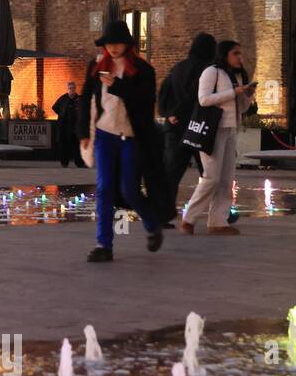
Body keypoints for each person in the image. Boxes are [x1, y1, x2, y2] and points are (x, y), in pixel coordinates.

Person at [76, 19, 170, 262]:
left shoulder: (143, 69)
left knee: (129, 189)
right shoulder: (96, 67)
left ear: (127, 44)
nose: (113, 48)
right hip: (105, 134)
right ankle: (103, 244)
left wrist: (118, 86)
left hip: (131, 137)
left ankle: (151, 225)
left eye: (117, 43)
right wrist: (83, 134)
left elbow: (145, 102)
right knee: (104, 188)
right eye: (109, 44)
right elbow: (86, 100)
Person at [180, 40, 255, 236]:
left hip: (231, 129)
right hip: (212, 130)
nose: (240, 57)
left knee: (226, 178)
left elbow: (243, 108)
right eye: (235, 53)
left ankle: (218, 221)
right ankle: (189, 218)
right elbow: (203, 100)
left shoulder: (237, 75)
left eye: (240, 53)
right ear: (224, 55)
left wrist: (246, 95)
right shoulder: (212, 72)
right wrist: (233, 92)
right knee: (211, 177)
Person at [158, 32, 217, 215]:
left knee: (171, 173)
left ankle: (164, 211)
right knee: (209, 174)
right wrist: (177, 112)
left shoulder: (177, 68)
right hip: (198, 129)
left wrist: (168, 114)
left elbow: (163, 94)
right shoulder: (208, 70)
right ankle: (219, 212)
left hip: (175, 129)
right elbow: (196, 97)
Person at [51, 81, 84, 167]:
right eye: (70, 88)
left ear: (75, 89)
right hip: (64, 126)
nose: (72, 90)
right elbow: (54, 107)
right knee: (64, 145)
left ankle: (79, 163)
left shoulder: (79, 99)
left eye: (73, 88)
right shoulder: (63, 99)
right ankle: (64, 163)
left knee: (77, 146)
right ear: (68, 89)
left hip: (76, 127)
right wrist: (61, 114)